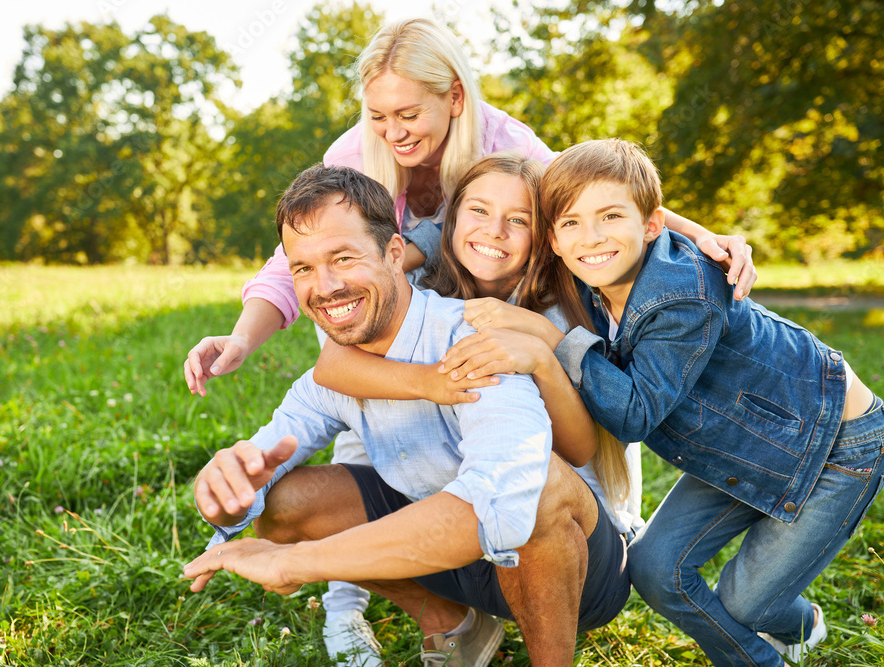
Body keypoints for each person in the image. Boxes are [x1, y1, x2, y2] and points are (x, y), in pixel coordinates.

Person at [183, 18, 752, 662]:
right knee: (297, 490)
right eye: (378, 115)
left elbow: (601, 196)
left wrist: (696, 236)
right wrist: (228, 500)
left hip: (568, 540)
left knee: (526, 486)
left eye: (408, 113)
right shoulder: (359, 167)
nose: (392, 130)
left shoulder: (512, 305)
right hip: (450, 484)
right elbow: (306, 280)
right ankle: (451, 622)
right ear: (438, 234)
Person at [442, 138, 884, 667]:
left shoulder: (682, 294)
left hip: (834, 440)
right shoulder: (591, 275)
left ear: (652, 225)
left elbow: (634, 415)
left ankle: (771, 633)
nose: (593, 237)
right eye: (572, 224)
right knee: (655, 569)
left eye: (610, 217)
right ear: (553, 238)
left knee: (744, 602)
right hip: (740, 445)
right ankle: (798, 624)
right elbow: (594, 199)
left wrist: (549, 338)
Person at [183, 164, 632, 667]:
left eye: (343, 258)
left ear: (395, 254)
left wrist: (296, 564)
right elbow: (257, 472)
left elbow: (499, 502)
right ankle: (453, 625)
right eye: (304, 269)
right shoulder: (332, 374)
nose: (325, 286)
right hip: (456, 561)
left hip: (574, 567)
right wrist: (223, 495)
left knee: (539, 484)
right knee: (285, 499)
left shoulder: (477, 341)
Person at [312, 151, 643, 539]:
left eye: (518, 220)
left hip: (574, 521)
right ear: (451, 220)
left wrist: (542, 358)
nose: (495, 231)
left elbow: (580, 451)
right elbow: (332, 366)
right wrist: (435, 382)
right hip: (471, 500)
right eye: (479, 211)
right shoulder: (426, 289)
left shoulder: (562, 313)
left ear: (546, 237)